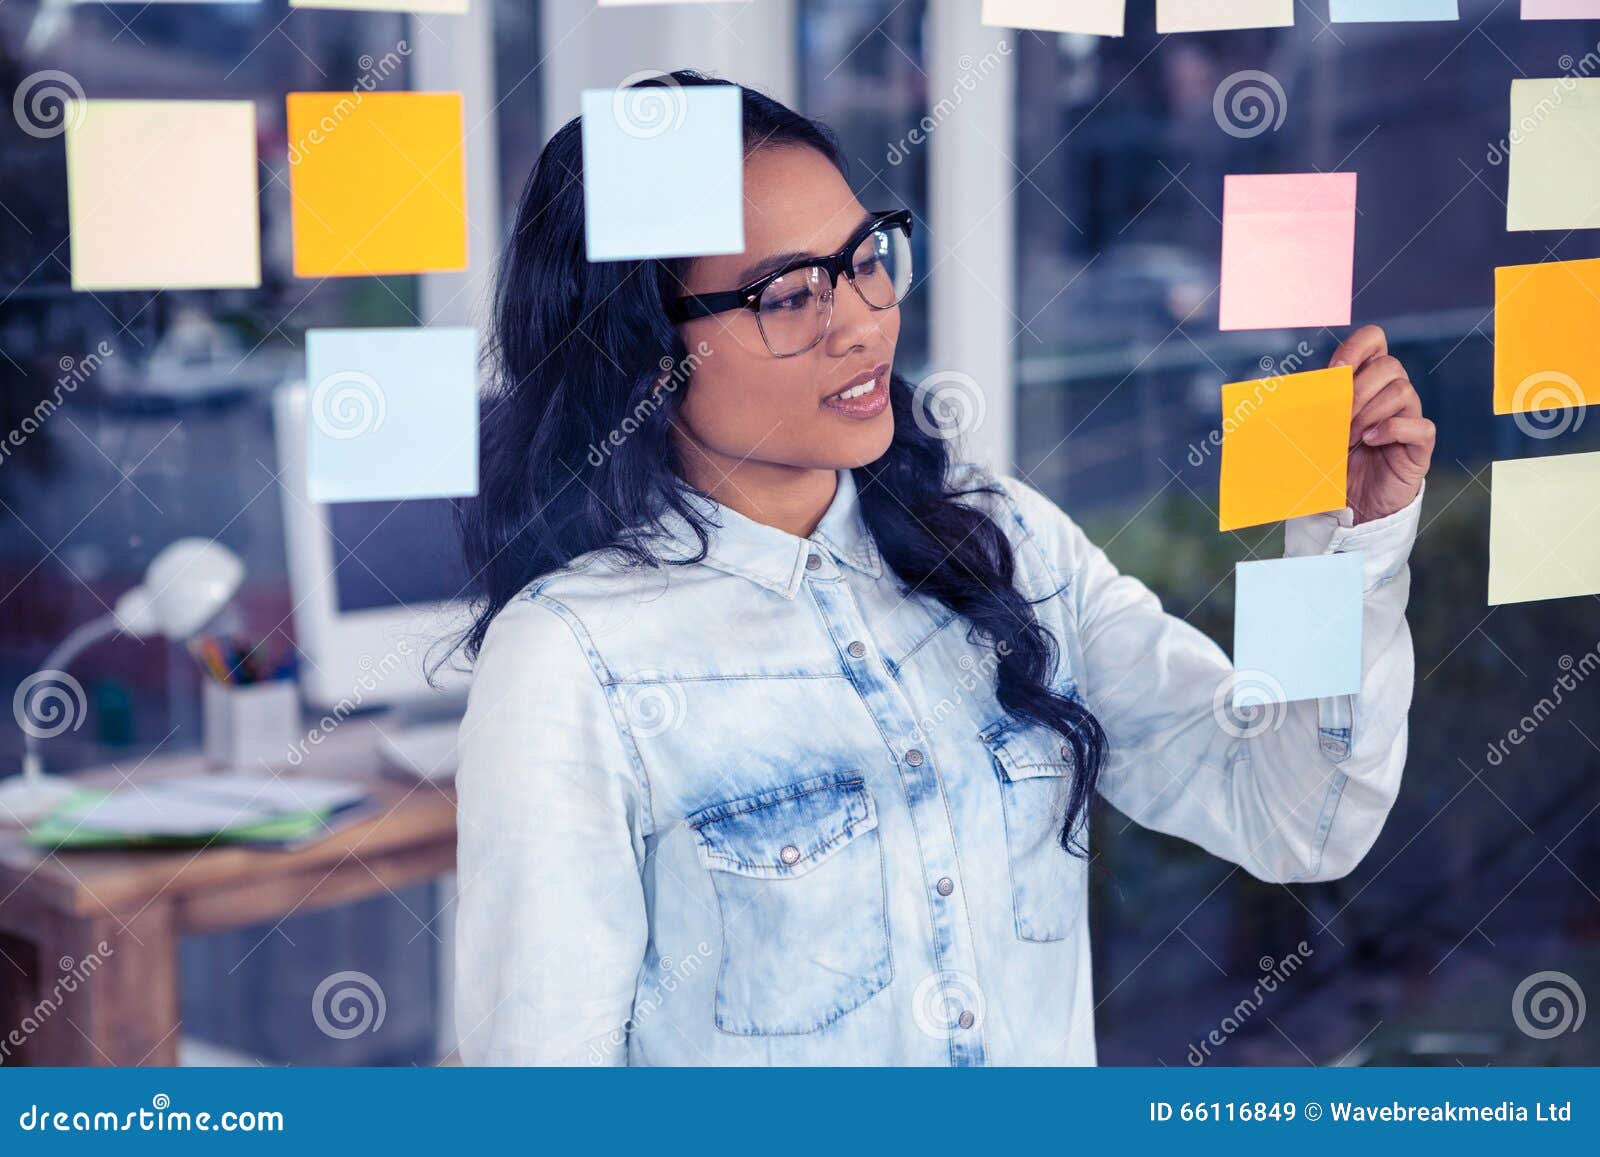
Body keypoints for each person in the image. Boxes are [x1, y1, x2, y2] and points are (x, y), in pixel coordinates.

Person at [450, 71, 1433, 1066]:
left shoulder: (1002, 538)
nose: (862, 320)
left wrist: (1344, 543)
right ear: (647, 356)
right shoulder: (569, 657)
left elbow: (1294, 813)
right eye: (789, 294)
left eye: (865, 258)